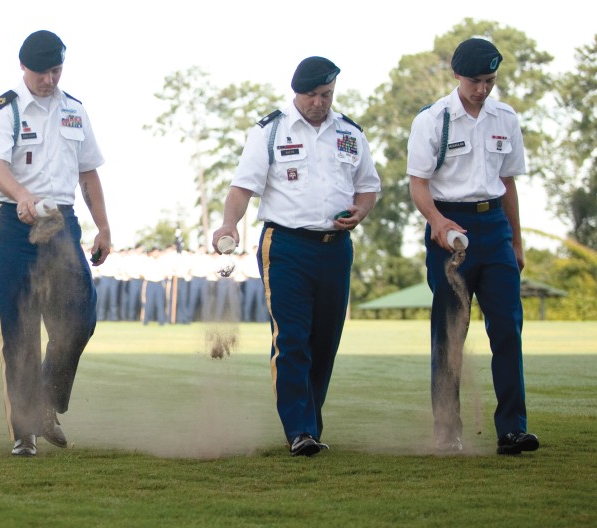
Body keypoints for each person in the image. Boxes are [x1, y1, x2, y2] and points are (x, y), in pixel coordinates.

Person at [212, 56, 379, 458]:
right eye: (312, 95)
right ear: (296, 92)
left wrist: (360, 211)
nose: (320, 103)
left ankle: (311, 425)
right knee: (292, 339)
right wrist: (229, 225)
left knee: (325, 342)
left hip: (336, 249)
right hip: (285, 246)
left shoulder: (351, 133)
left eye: (327, 95)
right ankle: (299, 430)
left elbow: (368, 186)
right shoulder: (270, 131)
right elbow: (242, 187)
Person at [0, 29, 112, 457]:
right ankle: (24, 432)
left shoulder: (74, 110)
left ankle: (47, 400)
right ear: (23, 67)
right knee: (19, 329)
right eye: (42, 73)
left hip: (61, 221)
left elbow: (88, 172)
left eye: (56, 71)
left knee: (79, 317)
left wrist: (103, 227)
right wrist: (23, 197)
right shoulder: (4, 110)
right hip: (15, 223)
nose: (49, 80)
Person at [407, 37, 538, 456]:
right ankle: (447, 433)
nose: (482, 89)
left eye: (490, 81)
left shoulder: (505, 118)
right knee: (450, 334)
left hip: (495, 227)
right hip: (450, 230)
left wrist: (516, 241)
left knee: (508, 329)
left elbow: (508, 182)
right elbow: (418, 184)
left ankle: (512, 430)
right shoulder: (433, 120)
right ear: (456, 75)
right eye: (475, 81)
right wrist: (436, 220)